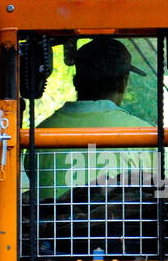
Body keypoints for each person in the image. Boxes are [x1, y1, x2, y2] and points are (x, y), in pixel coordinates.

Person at [36, 38, 150, 198]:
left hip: (52, 223)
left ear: (76, 82)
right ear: (123, 83)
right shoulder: (146, 135)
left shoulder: (41, 134)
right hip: (123, 223)